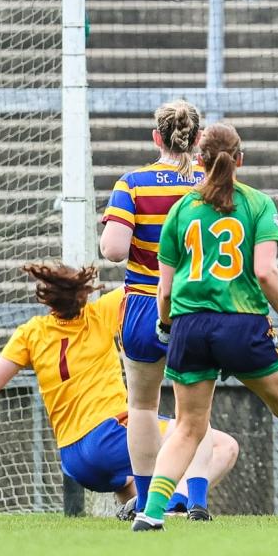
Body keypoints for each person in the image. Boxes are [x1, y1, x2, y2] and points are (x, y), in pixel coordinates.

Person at [136, 123, 278, 531]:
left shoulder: (182, 209)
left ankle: (149, 514)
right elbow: (265, 272)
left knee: (187, 426)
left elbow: (164, 290)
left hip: (190, 326)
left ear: (198, 161)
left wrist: (166, 328)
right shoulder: (257, 204)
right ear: (241, 159)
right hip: (243, 327)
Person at [0, 263, 239, 519]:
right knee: (221, 445)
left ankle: (142, 515)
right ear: (83, 295)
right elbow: (149, 287)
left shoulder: (30, 332)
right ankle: (177, 502)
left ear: (48, 302)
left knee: (138, 482)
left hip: (74, 461)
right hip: (109, 435)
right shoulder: (99, 314)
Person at [100, 100, 204, 513]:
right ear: (197, 139)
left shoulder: (132, 183)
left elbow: (112, 250)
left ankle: (145, 503)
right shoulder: (210, 184)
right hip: (198, 307)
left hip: (143, 305)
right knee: (194, 411)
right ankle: (195, 501)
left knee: (142, 407)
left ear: (156, 137)